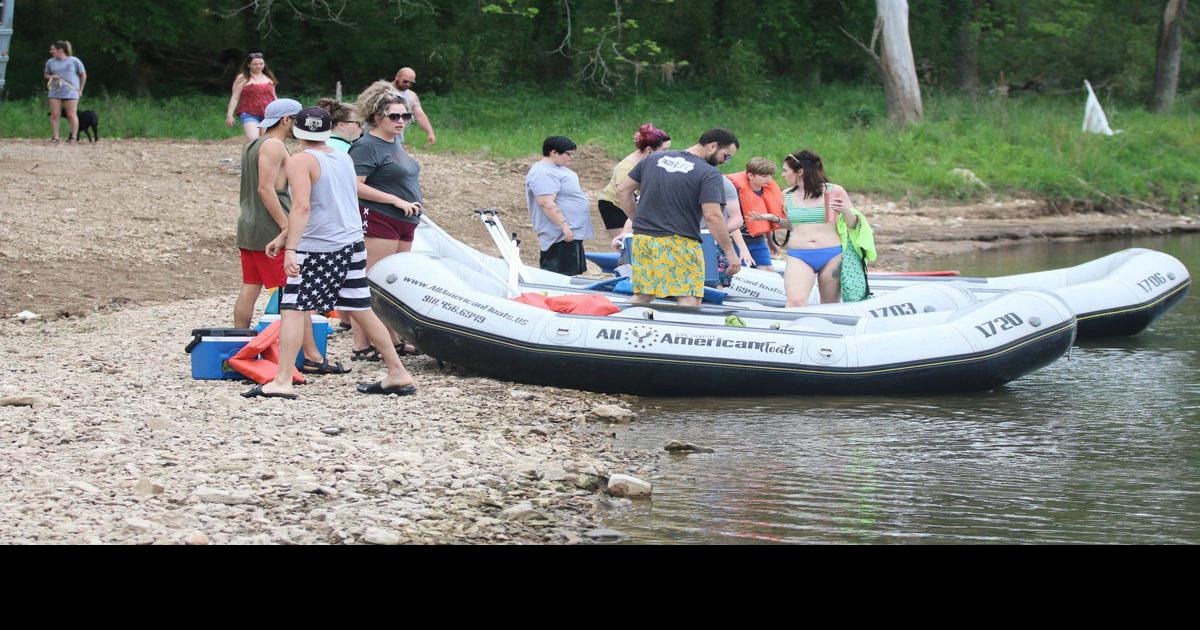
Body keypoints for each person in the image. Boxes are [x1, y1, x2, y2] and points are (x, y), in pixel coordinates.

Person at [243, 106, 416, 399]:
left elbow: (302, 207)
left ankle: (282, 381)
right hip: (351, 243)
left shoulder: (301, 160)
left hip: (319, 247)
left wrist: (292, 248)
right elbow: (333, 203)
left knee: (294, 309)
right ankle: (397, 373)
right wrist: (283, 236)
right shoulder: (343, 158)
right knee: (360, 306)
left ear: (297, 130)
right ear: (328, 130)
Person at [234, 98, 342, 374]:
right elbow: (265, 189)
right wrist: (286, 228)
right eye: (296, 119)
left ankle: (236, 345)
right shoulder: (273, 145)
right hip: (269, 228)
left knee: (251, 286)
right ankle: (312, 356)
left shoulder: (253, 144)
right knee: (299, 295)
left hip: (248, 226)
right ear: (285, 120)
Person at [615, 128, 743, 307]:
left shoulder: (653, 159)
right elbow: (713, 216)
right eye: (726, 156)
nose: (725, 162)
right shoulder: (709, 173)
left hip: (643, 239)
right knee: (689, 298)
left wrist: (637, 220)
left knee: (643, 295)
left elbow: (622, 190)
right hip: (680, 243)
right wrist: (730, 252)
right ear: (712, 146)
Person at [347, 81, 423, 360]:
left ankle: (391, 339)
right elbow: (354, 185)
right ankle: (362, 344)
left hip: (405, 221)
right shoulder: (367, 146)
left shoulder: (394, 144)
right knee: (371, 282)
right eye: (394, 116)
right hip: (380, 219)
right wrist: (395, 200)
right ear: (378, 117)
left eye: (406, 116)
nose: (401, 121)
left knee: (392, 283)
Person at [774, 149, 860, 306]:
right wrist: (774, 219)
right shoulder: (786, 194)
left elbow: (853, 224)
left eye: (785, 170)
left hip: (832, 256)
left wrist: (845, 210)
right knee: (795, 301)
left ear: (799, 171)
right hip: (799, 256)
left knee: (830, 304)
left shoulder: (834, 191)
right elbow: (793, 226)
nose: (783, 174)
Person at [524, 135, 593, 275]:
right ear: (553, 152)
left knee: (572, 277)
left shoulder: (558, 169)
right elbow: (546, 203)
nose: (571, 157)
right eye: (568, 154)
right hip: (559, 236)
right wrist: (564, 226)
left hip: (570, 234)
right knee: (558, 278)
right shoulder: (542, 172)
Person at [596, 124, 671, 240]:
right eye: (665, 150)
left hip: (633, 200)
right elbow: (628, 199)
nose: (668, 153)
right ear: (649, 149)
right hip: (614, 206)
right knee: (626, 245)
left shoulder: (651, 160)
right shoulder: (626, 169)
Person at [728, 157, 785, 272]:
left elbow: (765, 220)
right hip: (737, 241)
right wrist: (742, 248)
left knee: (768, 271)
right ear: (750, 176)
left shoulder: (766, 191)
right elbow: (731, 222)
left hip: (758, 240)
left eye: (770, 176)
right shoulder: (736, 194)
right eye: (764, 176)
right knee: (739, 272)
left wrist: (770, 241)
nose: (768, 179)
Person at [226, 53, 279, 142]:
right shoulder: (242, 78)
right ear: (248, 65)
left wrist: (281, 112)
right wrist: (229, 115)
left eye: (261, 64)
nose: (258, 66)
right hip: (249, 113)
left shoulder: (269, 78)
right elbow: (235, 97)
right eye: (255, 64)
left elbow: (274, 97)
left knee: (265, 141)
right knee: (254, 140)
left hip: (268, 114)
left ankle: (259, 156)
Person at [44, 41, 86, 143]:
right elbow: (46, 75)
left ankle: (73, 137)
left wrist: (80, 89)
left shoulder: (74, 61)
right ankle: (56, 138)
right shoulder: (50, 62)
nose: (51, 51)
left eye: (53, 49)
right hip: (55, 92)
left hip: (71, 92)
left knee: (71, 114)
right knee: (55, 114)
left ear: (60, 50)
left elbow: (83, 75)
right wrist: (51, 77)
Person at [391, 67, 436, 147]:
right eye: (405, 81)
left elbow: (420, 115)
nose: (408, 84)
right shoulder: (383, 91)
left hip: (397, 141)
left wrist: (430, 132)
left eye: (411, 83)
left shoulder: (411, 96)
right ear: (397, 77)